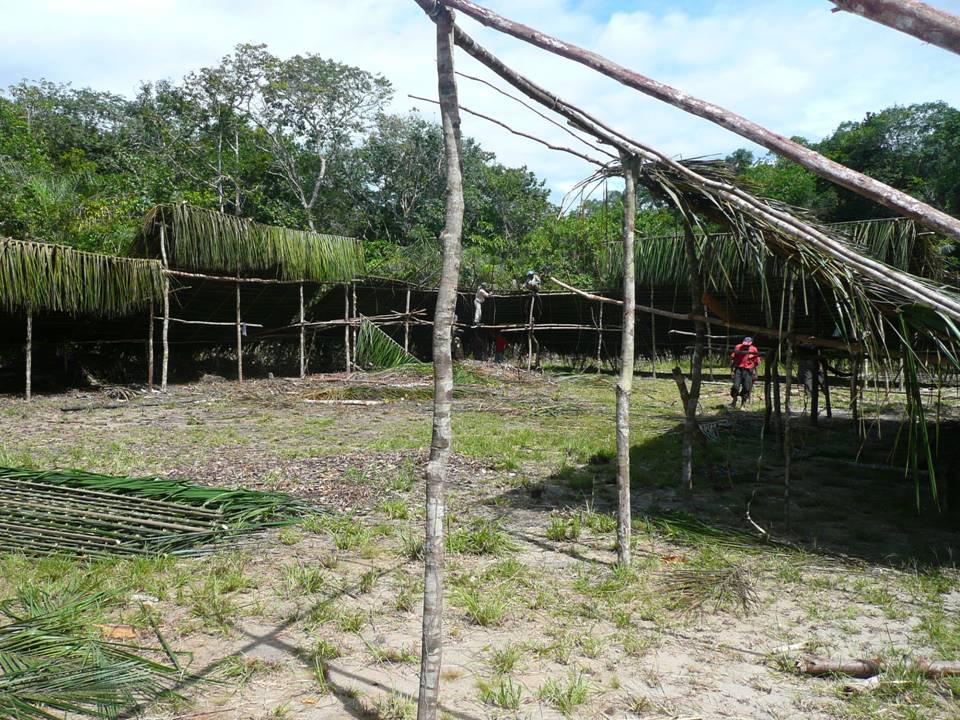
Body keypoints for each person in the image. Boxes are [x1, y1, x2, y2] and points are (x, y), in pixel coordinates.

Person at [729, 336, 761, 407]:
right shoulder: (738, 347)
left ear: (751, 343)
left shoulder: (754, 349)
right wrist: (732, 371)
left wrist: (755, 372)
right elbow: (732, 358)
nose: (746, 346)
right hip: (738, 369)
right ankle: (734, 401)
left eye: (747, 344)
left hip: (748, 370)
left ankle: (743, 404)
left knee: (746, 387)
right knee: (735, 386)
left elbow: (756, 361)